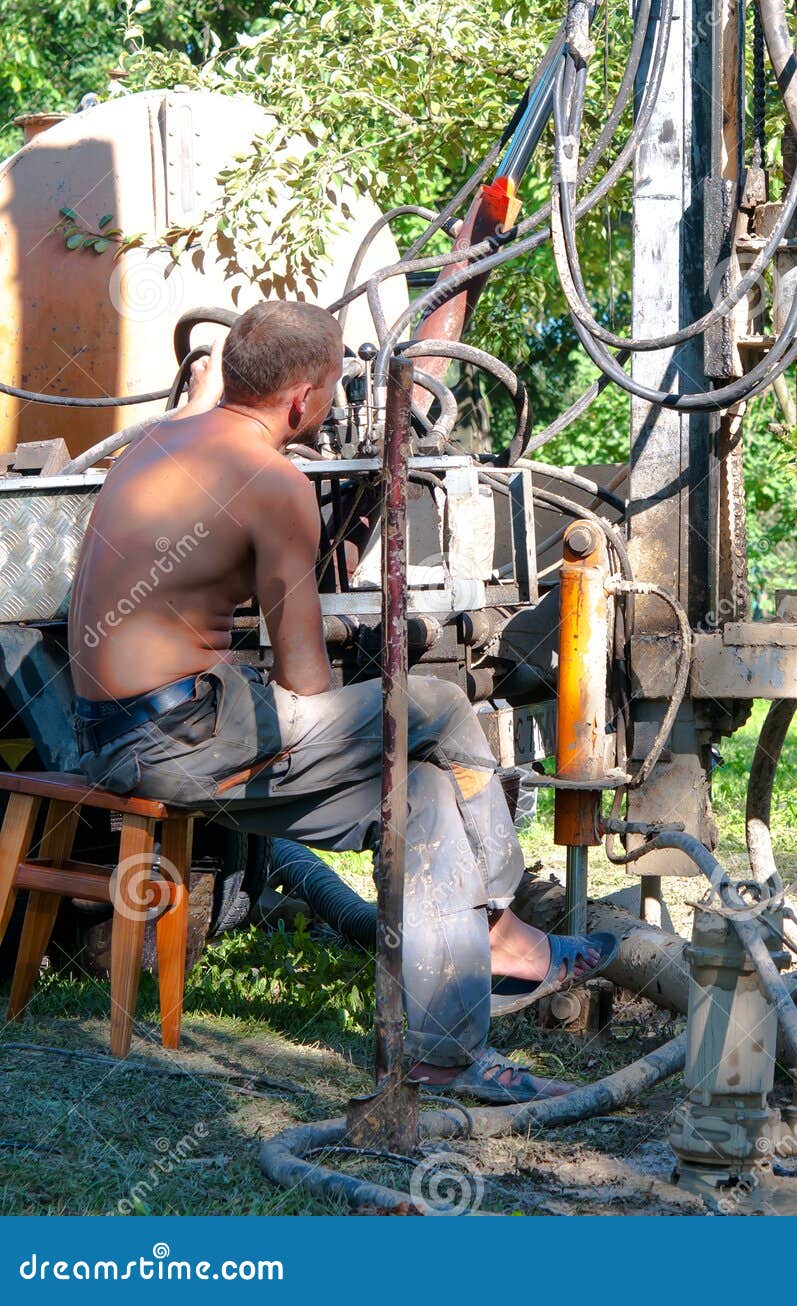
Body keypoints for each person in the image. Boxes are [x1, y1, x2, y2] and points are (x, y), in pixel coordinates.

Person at [67, 300, 612, 1102]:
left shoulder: (155, 440)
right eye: (328, 388)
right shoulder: (273, 481)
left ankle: (439, 1055)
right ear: (303, 400)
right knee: (439, 706)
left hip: (110, 736)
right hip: (185, 740)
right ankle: (501, 924)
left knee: (422, 795)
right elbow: (304, 681)